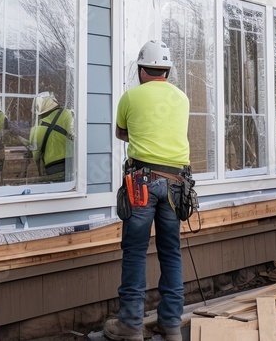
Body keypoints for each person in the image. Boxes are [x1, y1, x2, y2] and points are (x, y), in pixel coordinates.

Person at [103, 41, 190, 341]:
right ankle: (171, 324)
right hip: (176, 185)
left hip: (141, 181)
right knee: (171, 252)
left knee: (136, 251)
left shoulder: (131, 97)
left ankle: (130, 325)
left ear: (142, 70)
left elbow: (120, 132)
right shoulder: (182, 99)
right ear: (166, 70)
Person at [26, 91, 74, 180]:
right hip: (73, 163)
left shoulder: (37, 129)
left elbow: (35, 155)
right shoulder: (69, 114)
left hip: (53, 167)